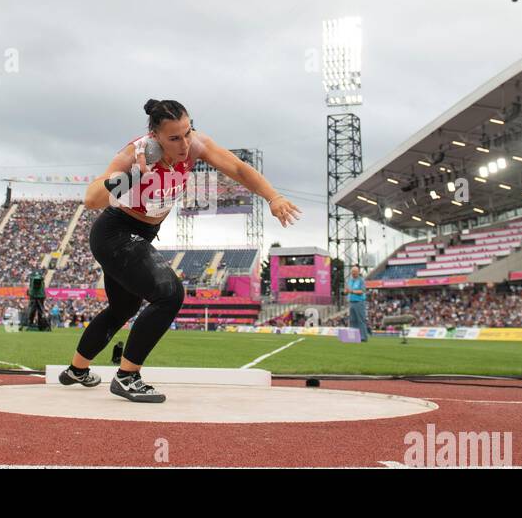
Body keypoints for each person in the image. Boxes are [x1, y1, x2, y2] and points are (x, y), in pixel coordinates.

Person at [59, 99, 301, 402]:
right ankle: (127, 376)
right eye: (174, 138)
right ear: (155, 137)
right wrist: (136, 173)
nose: (184, 144)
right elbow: (92, 199)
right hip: (115, 233)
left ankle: (77, 370)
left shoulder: (197, 145)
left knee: (123, 309)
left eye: (187, 132)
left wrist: (272, 196)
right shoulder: (134, 153)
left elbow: (237, 168)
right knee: (169, 294)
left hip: (140, 236)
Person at [346, 265, 370, 341]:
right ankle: (353, 336)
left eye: (355, 272)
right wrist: (346, 292)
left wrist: (352, 291)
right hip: (351, 302)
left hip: (359, 302)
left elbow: (362, 291)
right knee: (352, 320)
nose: (354, 273)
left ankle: (363, 337)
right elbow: (347, 290)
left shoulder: (361, 280)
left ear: (358, 272)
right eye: (352, 271)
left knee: (360, 320)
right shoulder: (349, 280)